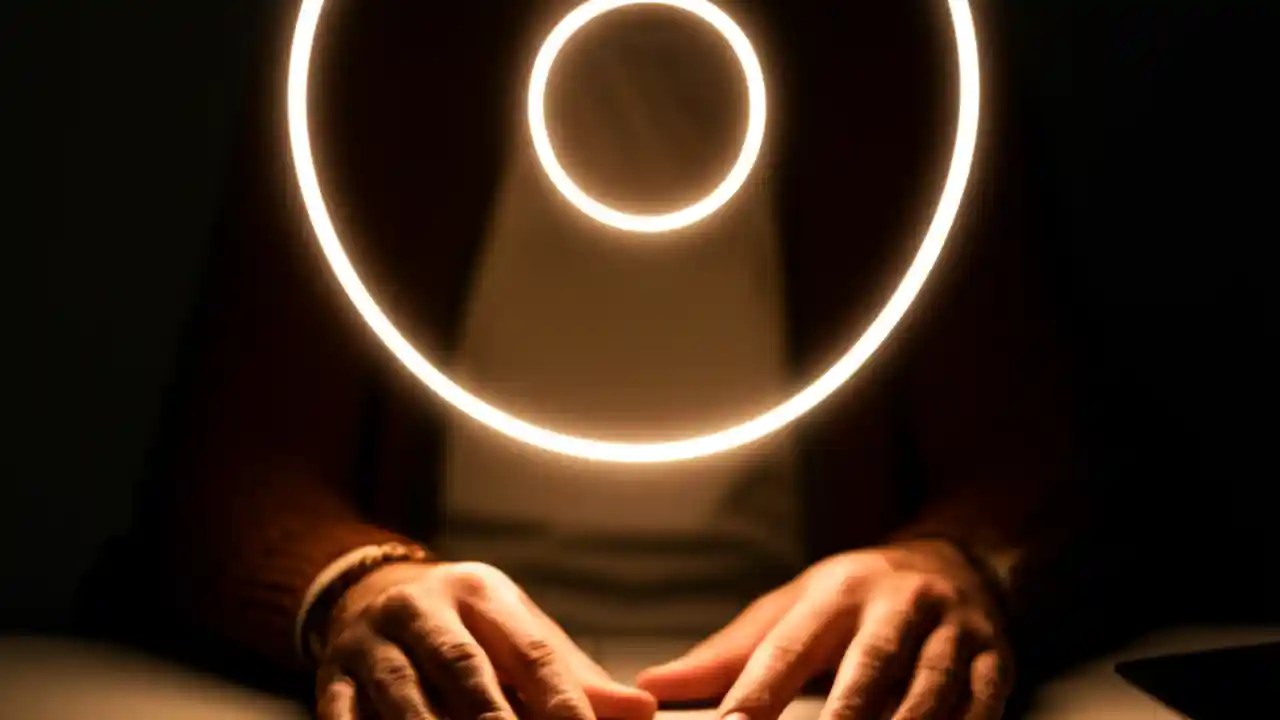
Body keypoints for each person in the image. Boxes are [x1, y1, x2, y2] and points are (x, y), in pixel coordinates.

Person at [121, 3, 1081, 719]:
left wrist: (957, 561)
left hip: (803, 694)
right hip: (461, 696)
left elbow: (1050, 453)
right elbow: (223, 471)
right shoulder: (364, 53)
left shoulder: (902, 55)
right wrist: (355, 584)